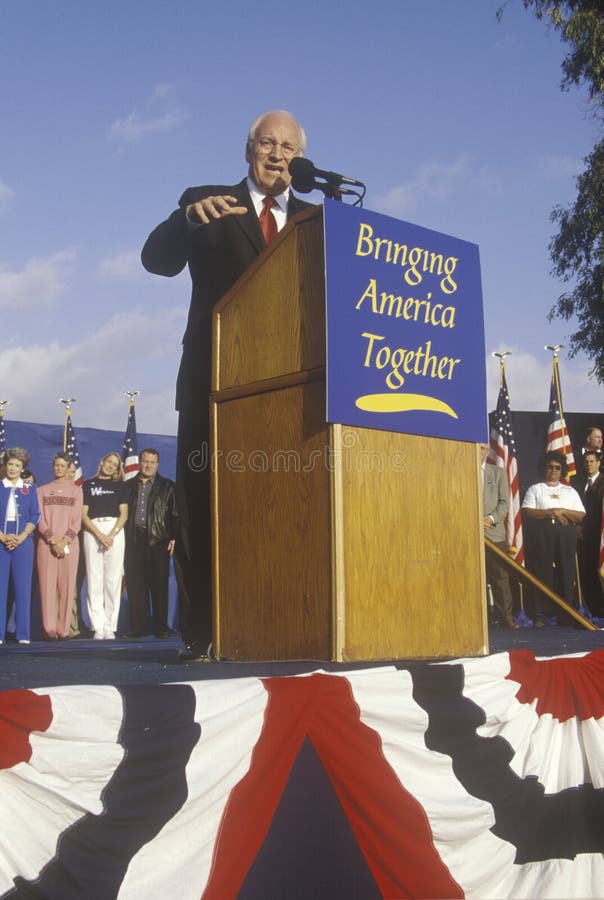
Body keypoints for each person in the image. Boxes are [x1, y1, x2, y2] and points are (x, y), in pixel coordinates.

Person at [141, 110, 313, 660]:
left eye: (288, 147)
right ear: (248, 150)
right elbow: (155, 260)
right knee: (201, 501)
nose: (278, 154)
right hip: (212, 380)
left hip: (290, 388)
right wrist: (186, 220)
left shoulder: (316, 220)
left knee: (284, 502)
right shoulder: (208, 202)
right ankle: (201, 631)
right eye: (268, 143)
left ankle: (279, 617)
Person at [522, 451, 585, 625]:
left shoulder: (569, 491)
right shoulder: (535, 489)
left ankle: (566, 613)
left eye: (558, 468)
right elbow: (528, 511)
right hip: (543, 534)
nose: (554, 471)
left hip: (565, 534)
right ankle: (541, 614)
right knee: (543, 572)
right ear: (544, 468)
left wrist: (562, 511)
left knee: (567, 570)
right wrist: (550, 512)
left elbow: (580, 515)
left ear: (562, 470)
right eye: (550, 467)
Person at [124, 448, 177, 638]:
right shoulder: (128, 486)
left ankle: (162, 627)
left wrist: (174, 537)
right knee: (136, 586)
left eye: (152, 462)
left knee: (159, 586)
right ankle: (137, 628)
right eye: (145, 461)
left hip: (158, 541)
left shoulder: (168, 486)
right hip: (133, 541)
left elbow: (175, 514)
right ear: (139, 462)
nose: (148, 465)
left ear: (157, 464)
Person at [82, 452, 129, 640]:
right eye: (108, 462)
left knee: (112, 580)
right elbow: (83, 514)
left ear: (118, 469)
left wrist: (111, 534)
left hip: (114, 530)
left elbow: (123, 514)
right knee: (94, 579)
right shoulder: (88, 484)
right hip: (93, 530)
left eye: (115, 465)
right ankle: (98, 626)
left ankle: (110, 626)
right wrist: (99, 534)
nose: (110, 466)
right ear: (101, 462)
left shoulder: (120, 486)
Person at [36, 452, 83, 639]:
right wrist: (53, 540)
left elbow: (77, 522)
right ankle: (49, 629)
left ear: (68, 468)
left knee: (67, 587)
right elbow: (40, 518)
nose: (59, 468)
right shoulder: (42, 490)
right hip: (47, 546)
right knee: (47, 588)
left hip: (69, 545)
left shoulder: (77, 491)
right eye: (56, 465)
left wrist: (64, 541)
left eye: (62, 465)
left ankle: (64, 630)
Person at [0, 448, 40, 645]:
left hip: (23, 542)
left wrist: (22, 536)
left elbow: (35, 515)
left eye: (17, 465)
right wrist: (3, 537)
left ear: (23, 467)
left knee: (23, 588)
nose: (13, 468)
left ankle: (23, 634)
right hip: (1, 540)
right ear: (5, 465)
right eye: (10, 464)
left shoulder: (30, 488)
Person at [479, 444, 517, 628]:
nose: (480, 451)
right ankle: (480, 620)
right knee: (475, 578)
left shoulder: (498, 472)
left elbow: (504, 502)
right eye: (477, 447)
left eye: (483, 448)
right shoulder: (461, 469)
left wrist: (491, 518)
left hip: (494, 534)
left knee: (500, 578)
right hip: (470, 535)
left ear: (488, 451)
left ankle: (506, 618)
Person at [573, 449, 604, 616]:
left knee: (597, 571)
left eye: (592, 461)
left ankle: (600, 608)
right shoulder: (578, 483)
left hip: (598, 535)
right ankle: (591, 607)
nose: (589, 465)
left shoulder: (602, 483)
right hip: (582, 536)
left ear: (598, 463)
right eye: (586, 462)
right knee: (585, 572)